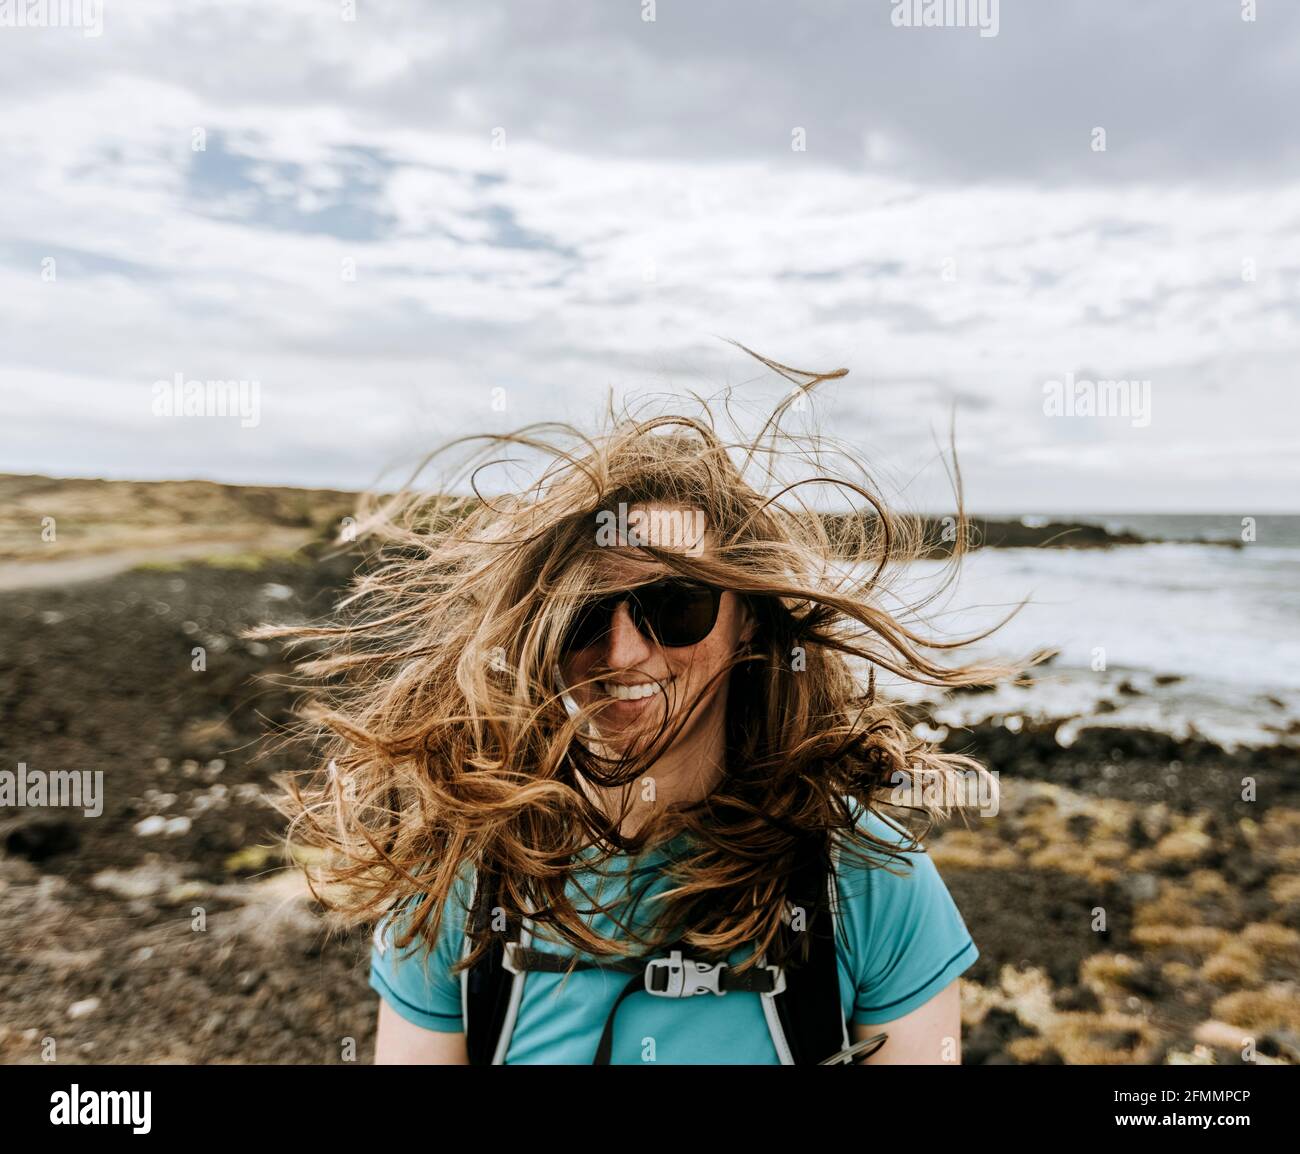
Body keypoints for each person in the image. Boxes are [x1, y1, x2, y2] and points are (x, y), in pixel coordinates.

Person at [263, 347, 1031, 1065]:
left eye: (675, 601)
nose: (625, 652)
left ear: (749, 624)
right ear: (543, 627)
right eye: (587, 610)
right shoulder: (463, 877)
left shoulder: (862, 881)